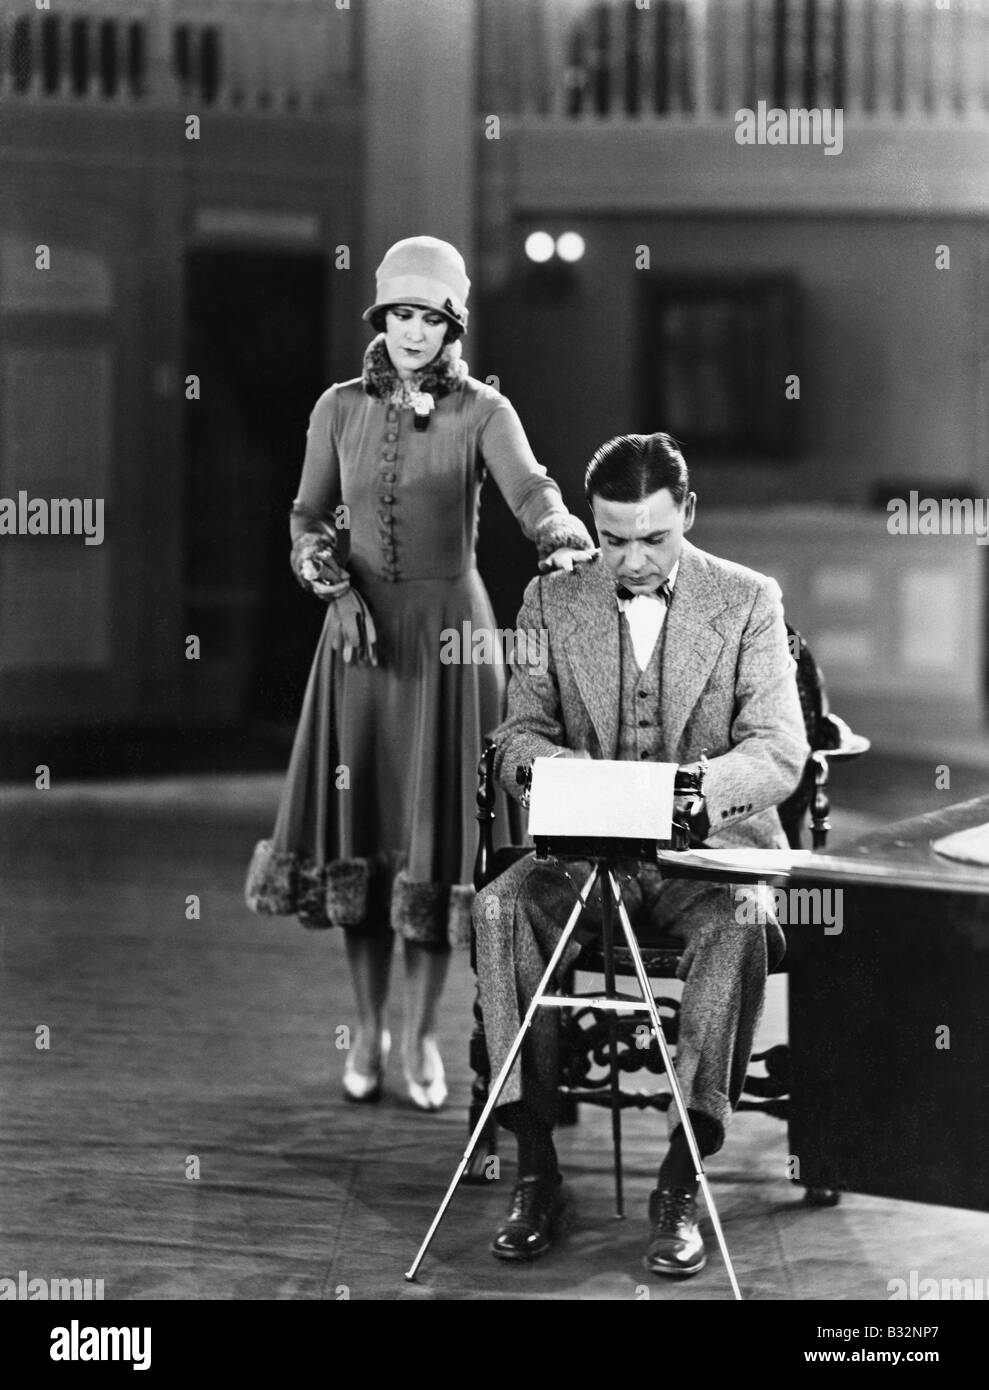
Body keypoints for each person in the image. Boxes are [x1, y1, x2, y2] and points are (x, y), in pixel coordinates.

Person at [245, 236, 595, 1112]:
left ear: (451, 325)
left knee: (436, 845)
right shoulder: (335, 408)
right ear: (381, 319)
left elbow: (531, 492)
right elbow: (305, 514)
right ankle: (364, 1030)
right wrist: (327, 577)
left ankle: (420, 1036)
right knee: (362, 836)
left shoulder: (484, 410)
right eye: (398, 313)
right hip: (359, 643)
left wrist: (560, 535)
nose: (411, 330)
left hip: (448, 640)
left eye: (428, 316)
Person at [473, 431, 808, 1272]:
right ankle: (535, 1171)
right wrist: (561, 771)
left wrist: (692, 792)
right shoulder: (552, 602)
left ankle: (680, 1179)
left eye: (651, 539)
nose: (628, 559)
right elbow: (515, 737)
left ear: (686, 514)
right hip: (584, 858)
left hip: (707, 863)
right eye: (612, 537)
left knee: (738, 921)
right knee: (499, 907)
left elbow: (778, 750)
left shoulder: (747, 600)